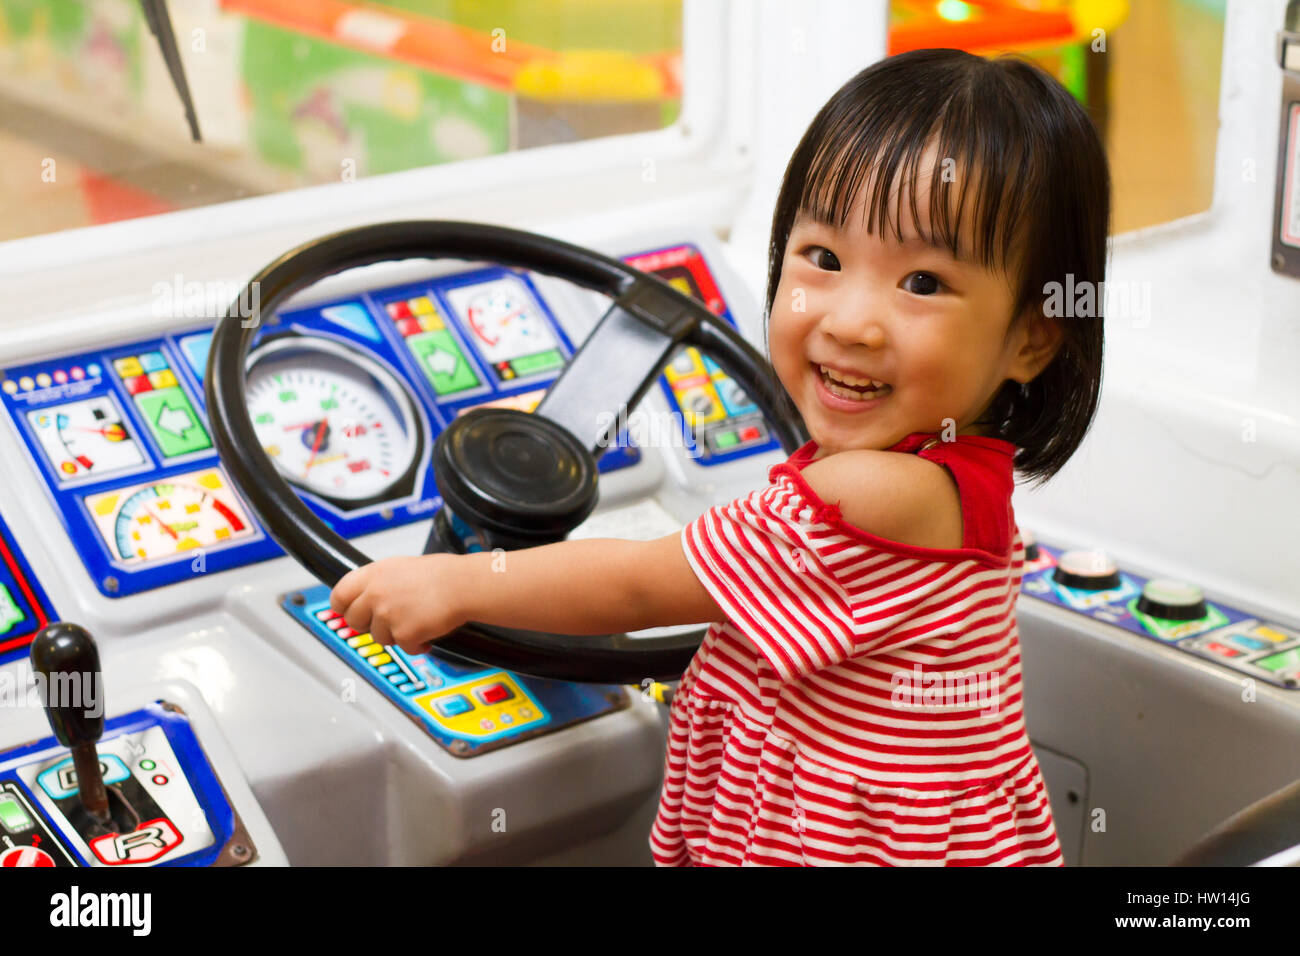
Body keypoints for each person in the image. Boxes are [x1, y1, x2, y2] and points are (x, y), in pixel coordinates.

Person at [330, 47, 1110, 866]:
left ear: (1031, 336)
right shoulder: (956, 474)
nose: (849, 322)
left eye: (921, 284)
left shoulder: (871, 493)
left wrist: (455, 584)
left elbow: (636, 586)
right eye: (824, 258)